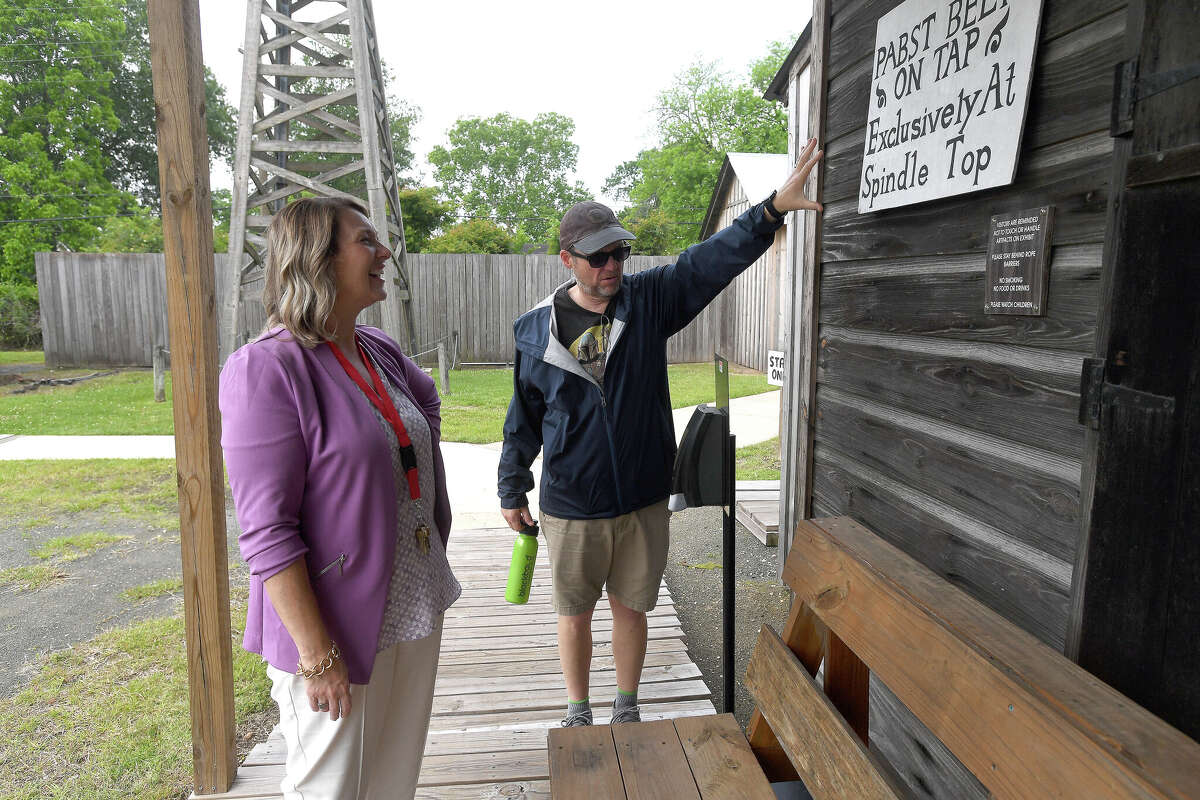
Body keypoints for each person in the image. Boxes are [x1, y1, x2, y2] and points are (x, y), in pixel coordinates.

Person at [498, 138, 824, 727]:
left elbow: (708, 262)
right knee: (574, 612)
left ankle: (627, 706)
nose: (612, 266)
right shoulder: (533, 332)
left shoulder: (647, 302)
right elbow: (522, 419)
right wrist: (511, 486)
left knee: (632, 607)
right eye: (597, 257)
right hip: (571, 503)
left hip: (643, 498)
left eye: (619, 252)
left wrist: (770, 210)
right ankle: (578, 711)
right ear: (567, 259)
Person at [220, 197, 460, 799]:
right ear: (318, 259)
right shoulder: (267, 369)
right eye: (366, 241)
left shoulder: (375, 348)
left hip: (411, 601)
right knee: (328, 791)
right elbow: (267, 532)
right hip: (332, 631)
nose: (384, 252)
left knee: (392, 781)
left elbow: (426, 403)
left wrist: (411, 467)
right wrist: (318, 654)